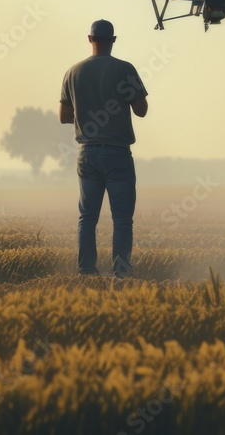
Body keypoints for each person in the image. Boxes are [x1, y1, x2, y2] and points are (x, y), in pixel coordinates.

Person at [59, 19, 148, 277]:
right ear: (114, 40)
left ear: (89, 39)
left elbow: (64, 116)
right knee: (121, 219)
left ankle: (86, 270)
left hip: (86, 153)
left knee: (87, 218)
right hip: (118, 152)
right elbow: (141, 110)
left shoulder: (72, 72)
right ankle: (120, 273)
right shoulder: (125, 69)